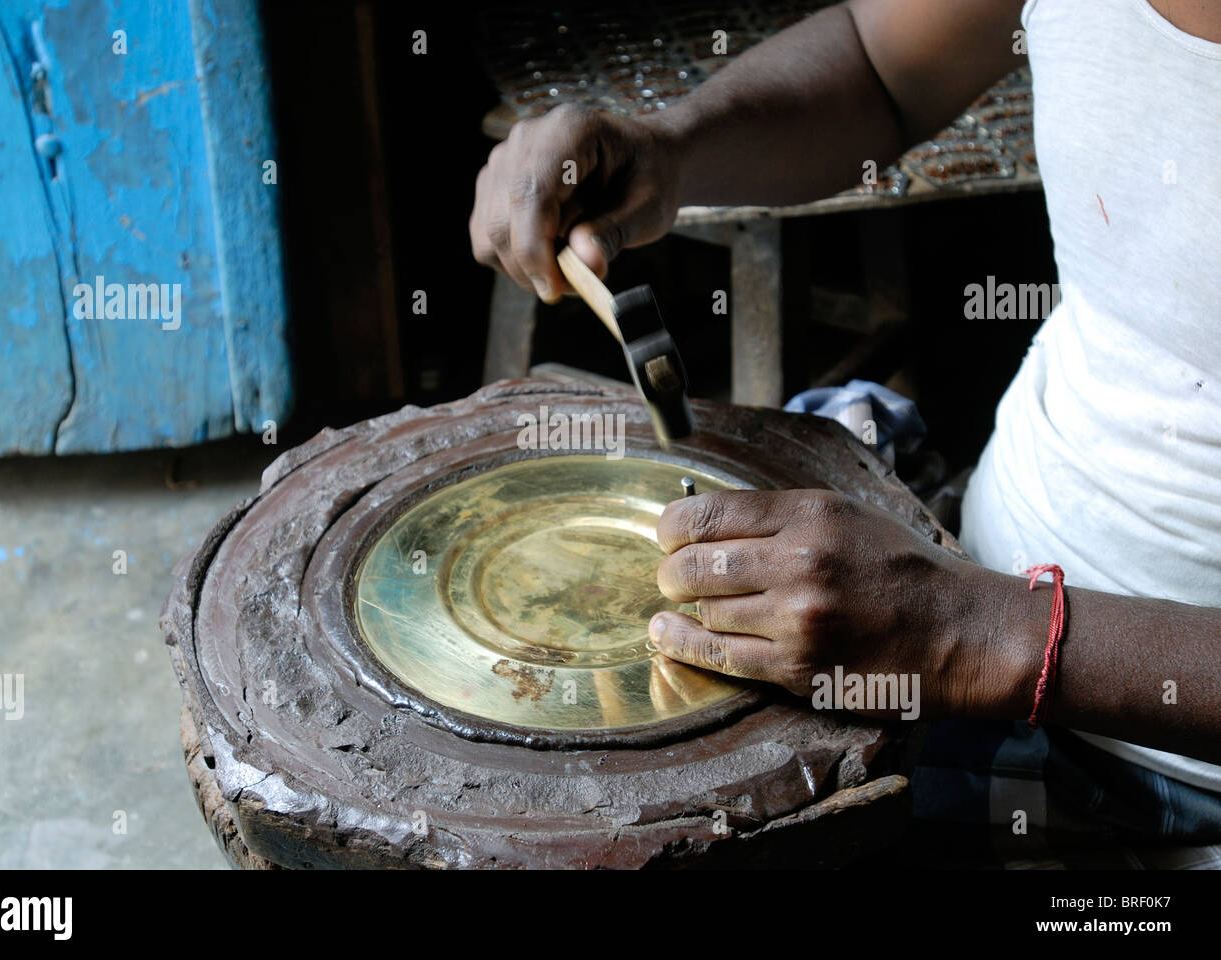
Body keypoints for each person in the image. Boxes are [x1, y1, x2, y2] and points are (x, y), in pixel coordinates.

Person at [470, 0, 1221, 865]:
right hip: (973, 590)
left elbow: (979, 635)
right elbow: (880, 68)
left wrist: (987, 634)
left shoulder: (975, 633)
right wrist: (670, 147)